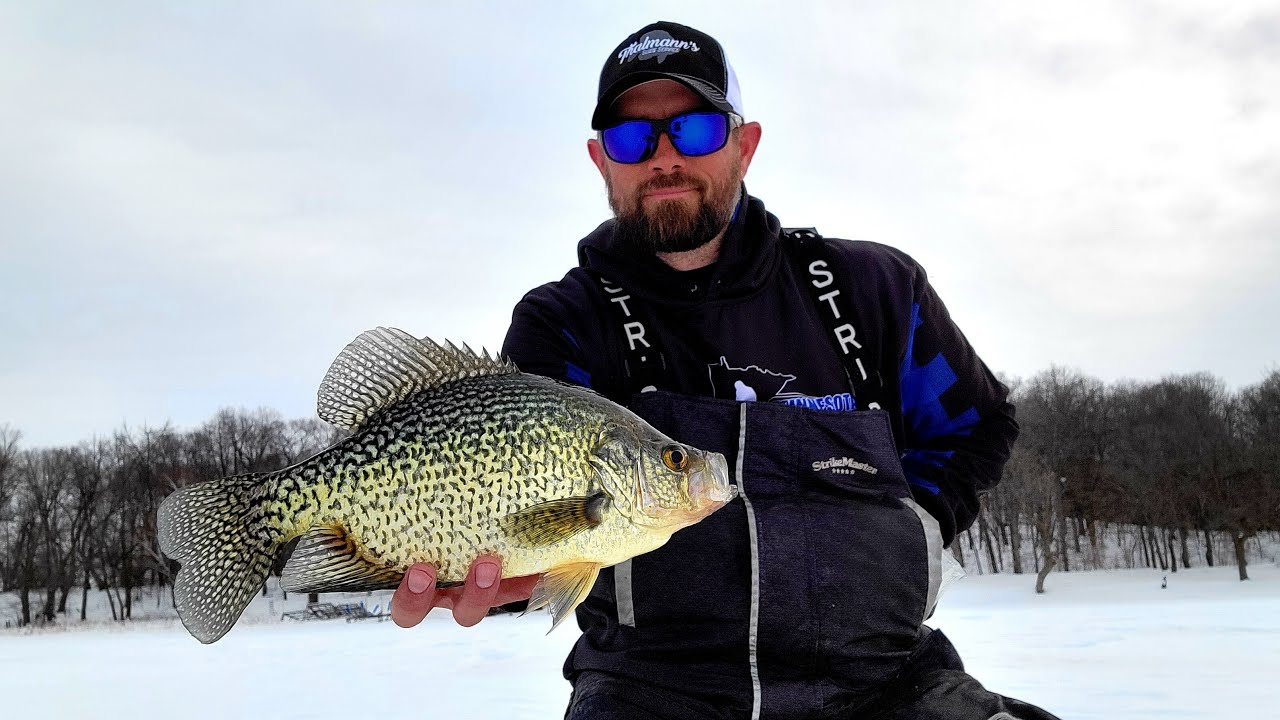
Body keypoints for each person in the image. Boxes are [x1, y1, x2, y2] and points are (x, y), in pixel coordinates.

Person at [392, 21, 1061, 720]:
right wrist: (504, 570)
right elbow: (532, 513)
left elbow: (979, 424)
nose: (663, 157)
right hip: (650, 691)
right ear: (600, 160)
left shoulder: (872, 290)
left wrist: (914, 527)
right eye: (631, 137)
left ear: (745, 144)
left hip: (889, 683)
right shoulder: (563, 322)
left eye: (695, 129)